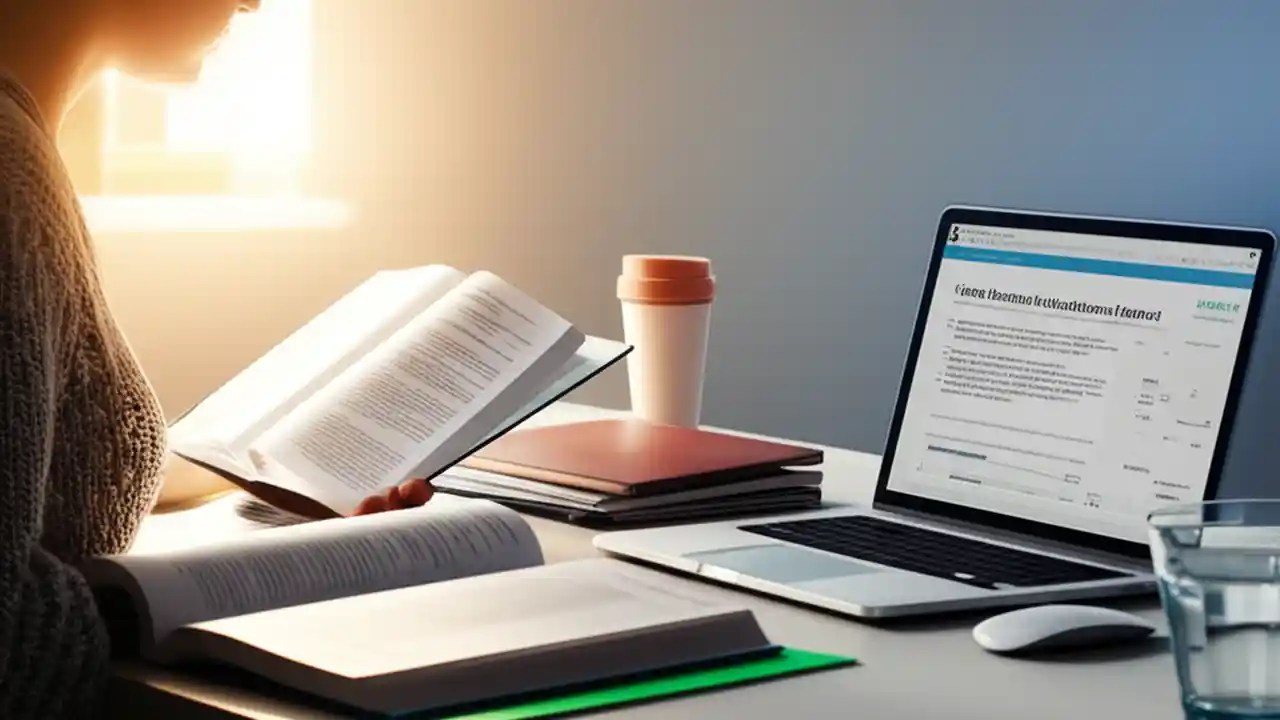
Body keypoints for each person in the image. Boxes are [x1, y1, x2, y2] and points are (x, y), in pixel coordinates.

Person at [0, 1, 432, 716]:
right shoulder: (10, 180)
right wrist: (257, 590)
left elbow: (52, 475)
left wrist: (278, 492)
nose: (253, 2)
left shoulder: (25, 145)